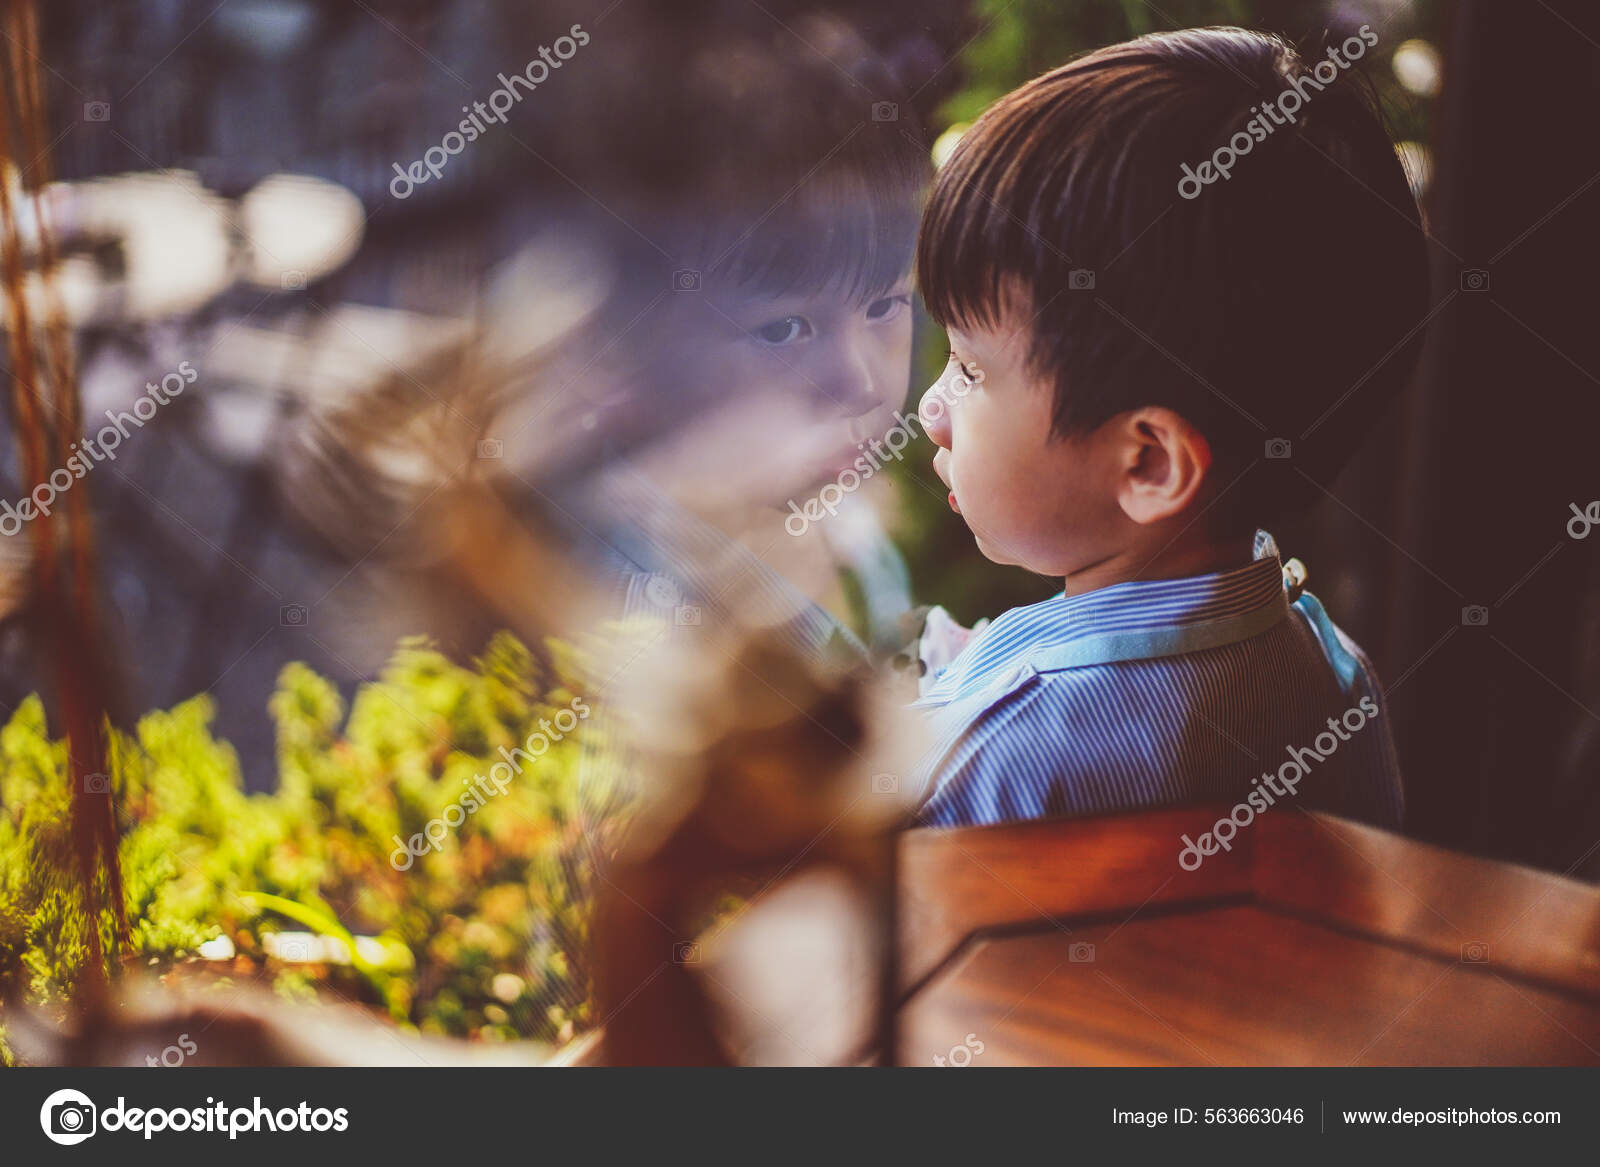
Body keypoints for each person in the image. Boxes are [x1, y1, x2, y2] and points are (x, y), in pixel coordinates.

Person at [907, 27, 1429, 830]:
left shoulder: (991, 761)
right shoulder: (1335, 679)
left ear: (1150, 465)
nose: (930, 411)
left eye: (972, 370)